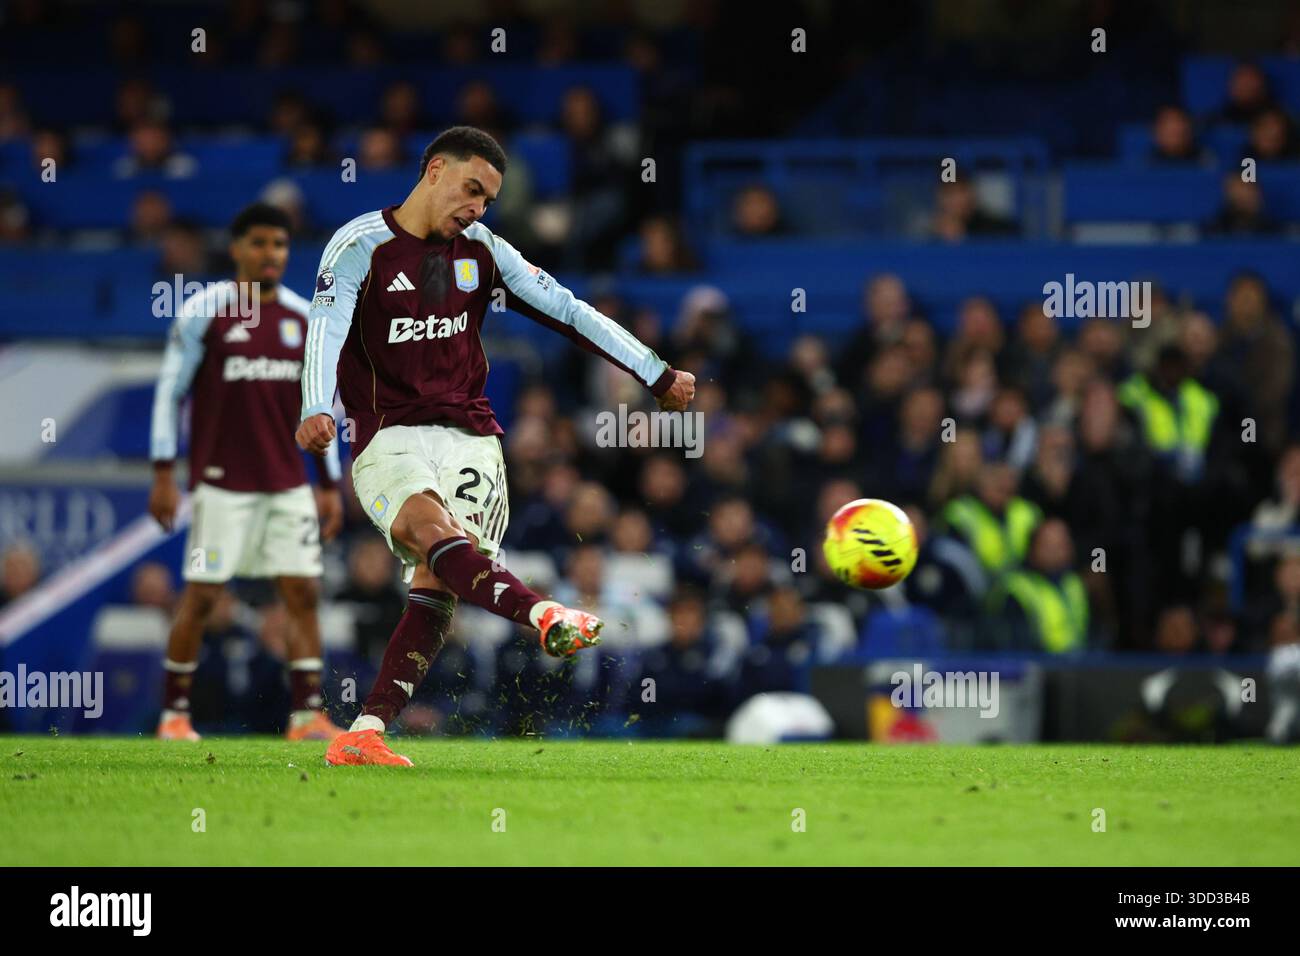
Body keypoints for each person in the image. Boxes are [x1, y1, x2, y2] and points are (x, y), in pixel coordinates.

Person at [297, 126, 695, 766]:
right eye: (471, 189)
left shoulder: (481, 249)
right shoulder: (359, 246)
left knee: (438, 583)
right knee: (430, 533)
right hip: (388, 435)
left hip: (472, 439)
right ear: (433, 171)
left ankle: (365, 731)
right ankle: (542, 614)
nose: (478, 208)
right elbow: (326, 327)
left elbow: (568, 310)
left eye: (488, 199)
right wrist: (316, 404)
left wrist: (656, 372)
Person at [149, 203, 344, 742]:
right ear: (236, 248)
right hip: (220, 487)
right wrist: (164, 472)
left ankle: (305, 717)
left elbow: (320, 410)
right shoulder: (204, 311)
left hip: (287, 486)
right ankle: (174, 715)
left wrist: (328, 484)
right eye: (259, 243)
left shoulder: (306, 320)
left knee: (303, 592)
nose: (270, 254)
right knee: (203, 596)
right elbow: (170, 393)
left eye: (279, 245)